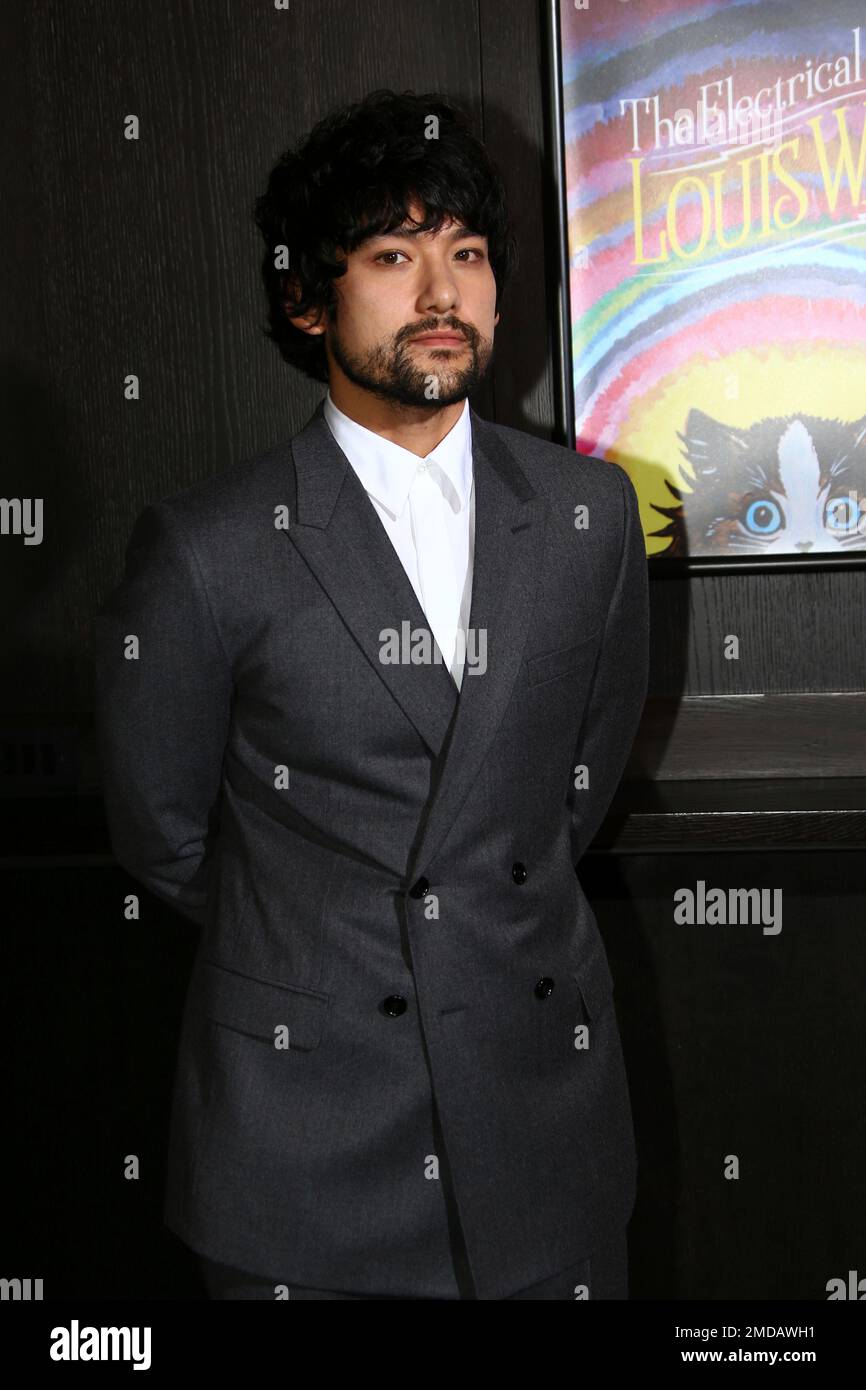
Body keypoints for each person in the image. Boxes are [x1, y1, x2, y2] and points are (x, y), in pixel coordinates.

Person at [93, 88, 649, 1300]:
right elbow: (164, 834)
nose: (442, 293)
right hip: (307, 1139)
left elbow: (565, 797)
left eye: (466, 253)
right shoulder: (208, 549)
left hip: (536, 1113)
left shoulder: (585, 517)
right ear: (305, 298)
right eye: (393, 256)